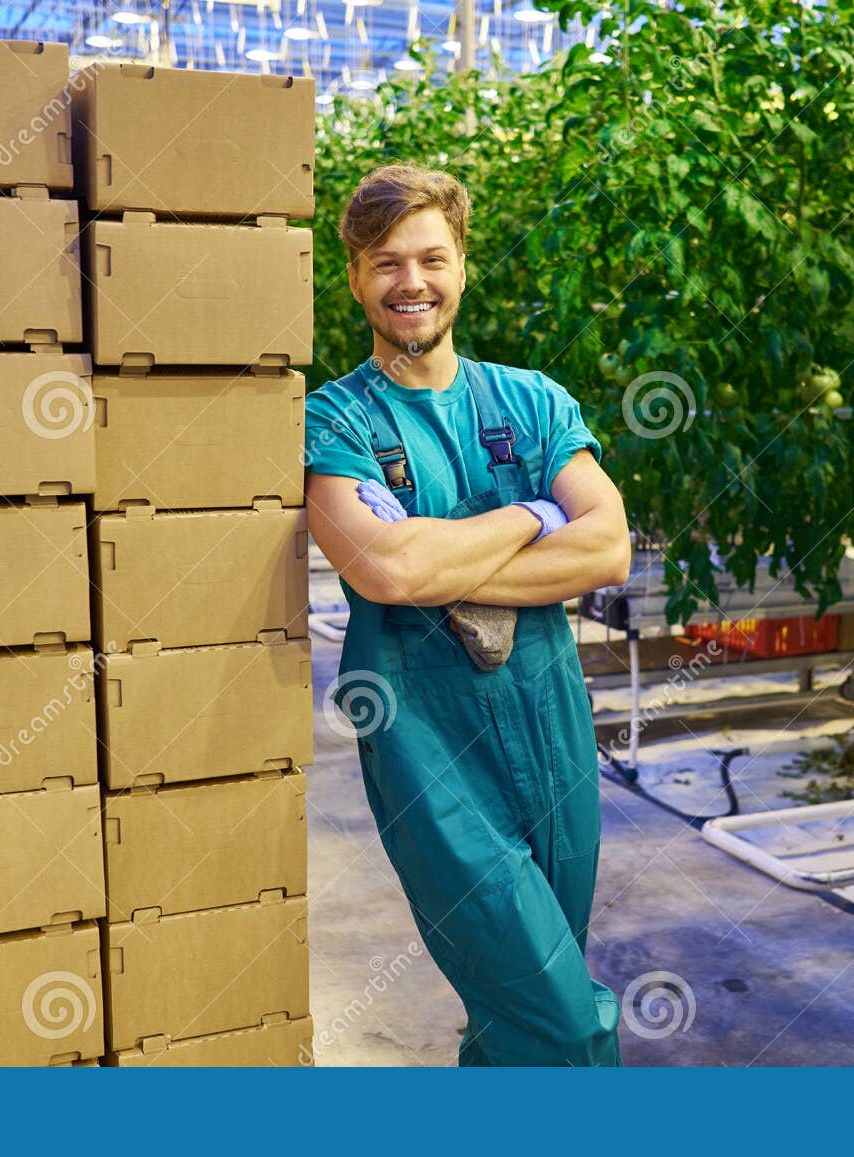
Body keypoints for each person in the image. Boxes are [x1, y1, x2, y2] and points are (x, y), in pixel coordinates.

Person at [304, 163, 631, 1066]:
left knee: (516, 1010)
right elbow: (385, 569)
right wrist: (534, 515)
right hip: (424, 744)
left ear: (462, 265)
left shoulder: (532, 401)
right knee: (565, 1016)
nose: (411, 282)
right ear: (356, 279)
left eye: (431, 257)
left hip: (550, 724)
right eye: (385, 262)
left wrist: (434, 555)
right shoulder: (330, 420)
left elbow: (607, 548)